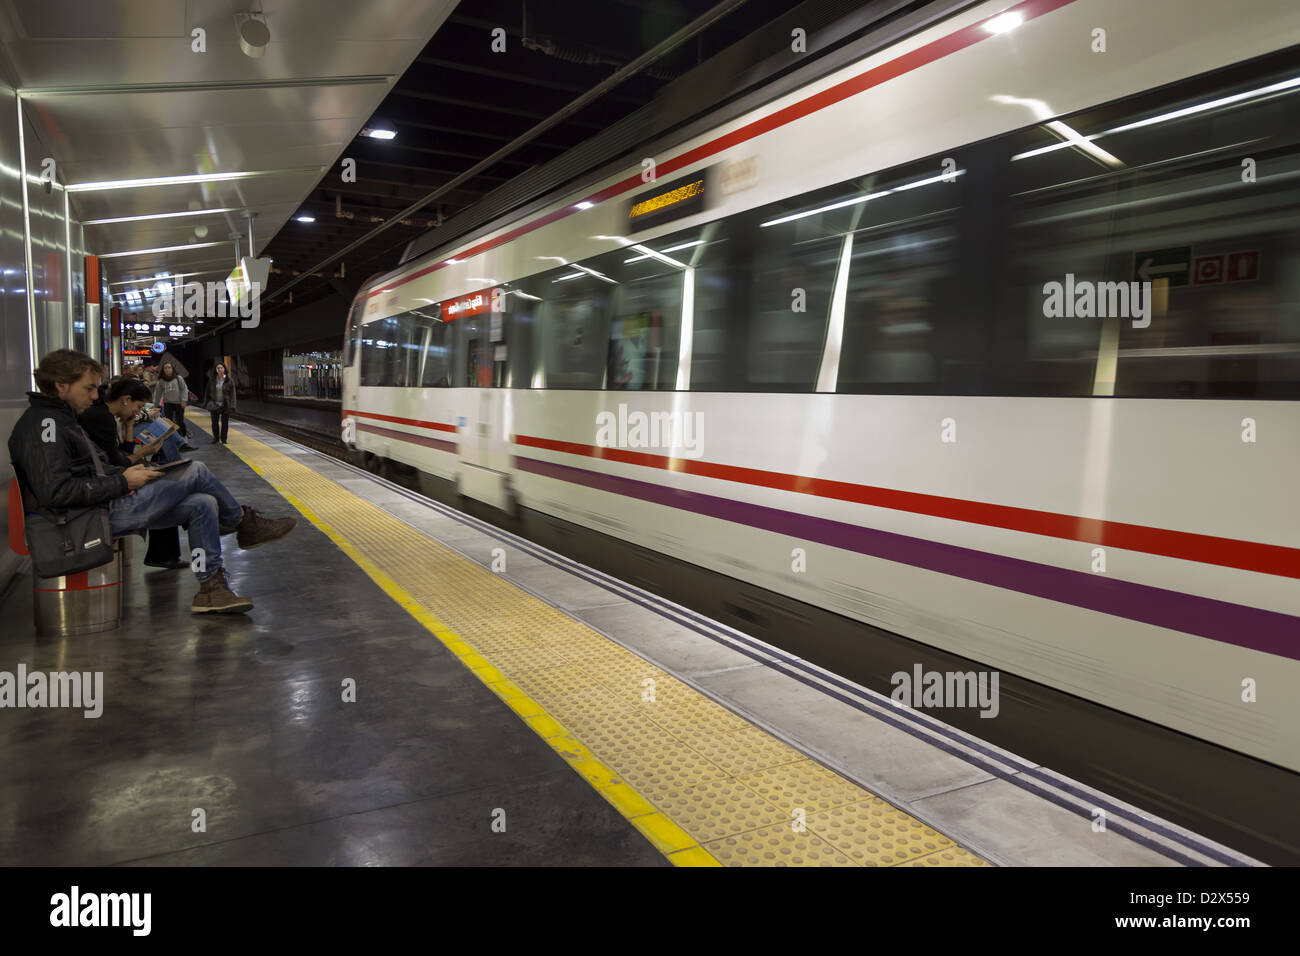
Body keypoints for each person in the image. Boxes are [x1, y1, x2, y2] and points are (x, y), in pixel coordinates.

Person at [10, 349, 298, 613]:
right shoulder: (45, 425)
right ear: (61, 385)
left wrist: (128, 475)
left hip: (96, 508)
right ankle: (243, 523)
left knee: (203, 503)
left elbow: (89, 471)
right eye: (89, 388)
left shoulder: (61, 419)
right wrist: (123, 483)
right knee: (195, 471)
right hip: (84, 522)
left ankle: (211, 587)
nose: (95, 396)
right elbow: (55, 492)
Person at [78, 378, 187, 570]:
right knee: (170, 482)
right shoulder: (100, 417)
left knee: (165, 481)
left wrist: (129, 427)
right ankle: (163, 553)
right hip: (107, 486)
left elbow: (122, 452)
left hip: (109, 477)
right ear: (125, 399)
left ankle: (164, 553)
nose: (138, 412)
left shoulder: (107, 416)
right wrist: (143, 454)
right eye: (138, 406)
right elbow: (118, 461)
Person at [152, 361, 197, 451]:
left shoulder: (178, 378)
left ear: (172, 369)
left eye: (169, 367)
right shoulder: (161, 380)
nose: (167, 369)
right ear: (163, 370)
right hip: (168, 403)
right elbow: (158, 393)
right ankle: (174, 440)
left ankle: (184, 440)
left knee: (180, 421)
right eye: (165, 368)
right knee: (169, 422)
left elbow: (184, 389)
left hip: (178, 403)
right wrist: (155, 405)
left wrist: (184, 400)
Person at [203, 362, 235, 445]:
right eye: (218, 368)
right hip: (214, 404)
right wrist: (206, 403)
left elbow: (233, 394)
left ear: (224, 369)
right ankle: (216, 438)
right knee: (214, 423)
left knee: (225, 423)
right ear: (216, 370)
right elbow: (207, 392)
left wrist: (232, 405)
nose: (220, 369)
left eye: (221, 368)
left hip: (225, 404)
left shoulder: (229, 380)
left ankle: (224, 439)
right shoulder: (212, 380)